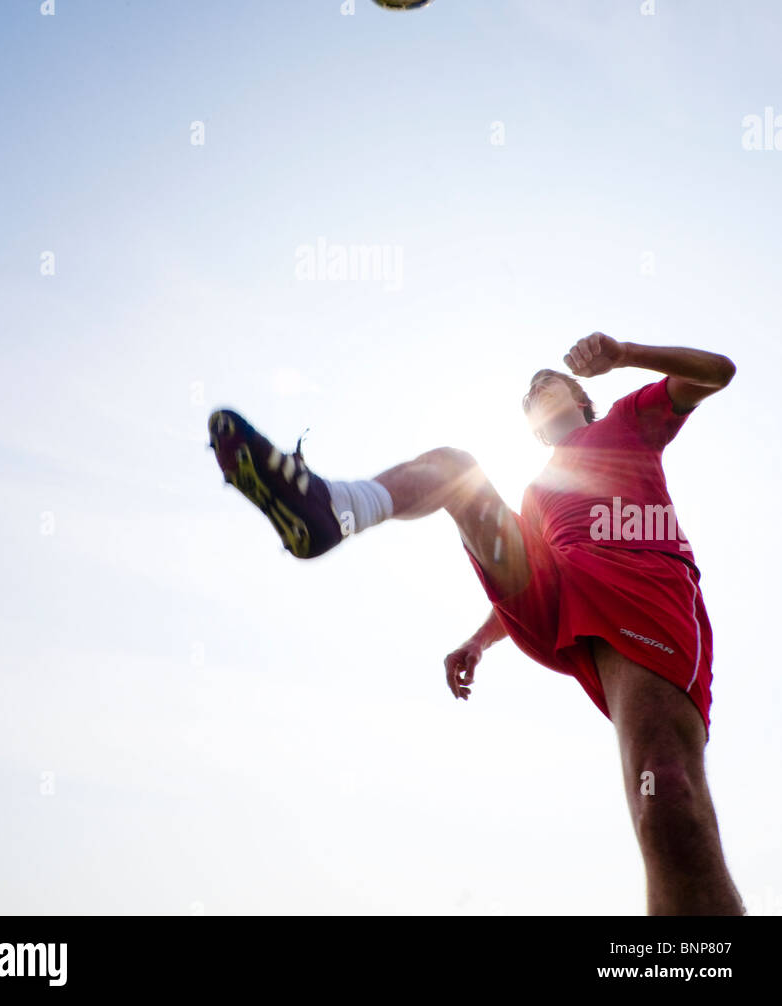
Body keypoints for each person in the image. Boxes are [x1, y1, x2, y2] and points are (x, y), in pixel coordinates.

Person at [208, 331, 745, 916]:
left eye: (550, 380)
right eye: (530, 392)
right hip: (558, 608)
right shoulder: (537, 492)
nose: (539, 387)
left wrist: (624, 356)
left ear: (581, 395)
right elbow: (540, 566)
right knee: (457, 468)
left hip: (641, 595)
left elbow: (718, 370)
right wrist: (481, 640)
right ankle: (332, 508)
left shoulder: (625, 422)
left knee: (665, 796)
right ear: (534, 431)